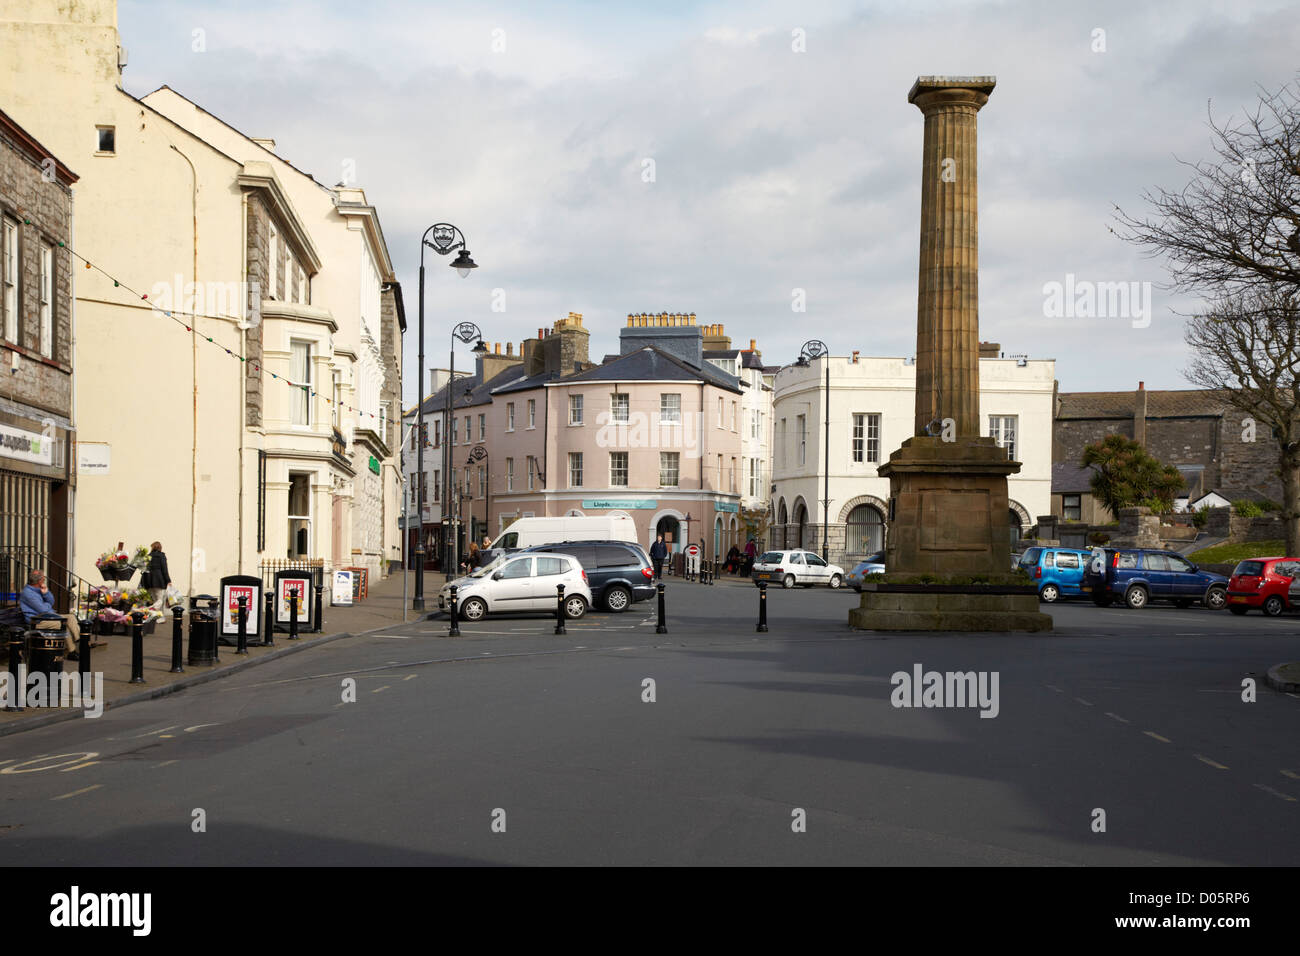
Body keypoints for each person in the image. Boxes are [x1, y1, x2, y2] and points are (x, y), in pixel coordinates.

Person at [18, 570, 80, 659]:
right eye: (43, 578)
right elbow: (43, 610)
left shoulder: (38, 589)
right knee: (62, 624)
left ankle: (79, 639)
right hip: (38, 620)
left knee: (70, 617)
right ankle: (72, 651)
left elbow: (51, 601)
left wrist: (46, 593)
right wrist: (47, 605)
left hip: (47, 616)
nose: (44, 580)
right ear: (39, 581)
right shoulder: (28, 593)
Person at [141, 541, 171, 609]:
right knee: (160, 600)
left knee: (155, 600)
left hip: (148, 581)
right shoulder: (161, 556)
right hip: (159, 581)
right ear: (160, 547)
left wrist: (143, 582)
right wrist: (168, 580)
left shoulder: (148, 556)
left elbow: (144, 569)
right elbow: (164, 570)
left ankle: (157, 617)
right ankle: (149, 609)